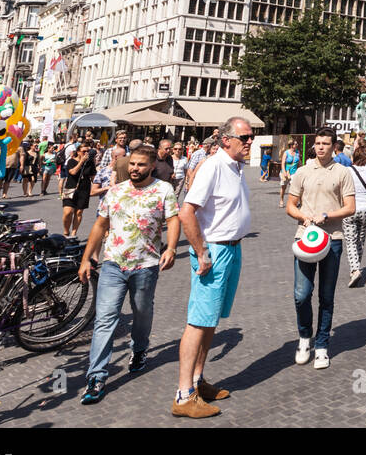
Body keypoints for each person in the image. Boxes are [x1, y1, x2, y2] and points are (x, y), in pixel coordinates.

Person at [78, 145, 180, 405]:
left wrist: (171, 247)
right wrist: (87, 257)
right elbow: (100, 225)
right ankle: (97, 376)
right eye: (132, 164)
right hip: (113, 263)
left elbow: (174, 219)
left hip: (145, 265)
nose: (135, 168)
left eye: (141, 165)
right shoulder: (115, 191)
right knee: (105, 319)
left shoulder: (163, 189)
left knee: (142, 312)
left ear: (152, 166)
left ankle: (140, 349)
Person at [172, 117, 253, 419]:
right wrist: (201, 251)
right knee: (198, 319)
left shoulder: (236, 167)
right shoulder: (213, 166)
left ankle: (197, 380)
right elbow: (186, 212)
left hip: (232, 248)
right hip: (215, 251)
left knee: (210, 320)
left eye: (251, 137)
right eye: (244, 137)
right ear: (226, 140)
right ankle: (183, 394)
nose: (249, 142)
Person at [287, 127, 356, 370]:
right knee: (301, 294)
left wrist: (328, 215)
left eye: (325, 143)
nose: (320, 147)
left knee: (326, 297)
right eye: (317, 143)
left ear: (333, 146)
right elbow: (290, 205)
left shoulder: (342, 172)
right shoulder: (303, 171)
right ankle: (305, 337)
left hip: (332, 239)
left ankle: (323, 345)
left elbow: (350, 207)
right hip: (305, 238)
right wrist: (303, 217)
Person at [342, 143, 366, 287]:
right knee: (360, 240)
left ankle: (355, 269)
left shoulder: (347, 171)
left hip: (350, 208)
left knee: (350, 240)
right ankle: (356, 266)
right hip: (365, 208)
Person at [63, 143, 98, 239]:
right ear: (78, 152)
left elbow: (93, 178)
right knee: (68, 212)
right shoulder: (71, 161)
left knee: (78, 213)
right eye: (84, 151)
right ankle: (66, 232)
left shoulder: (90, 163)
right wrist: (81, 162)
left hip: (84, 189)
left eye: (88, 151)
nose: (86, 153)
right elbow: (73, 172)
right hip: (71, 188)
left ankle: (74, 233)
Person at [278, 140, 300, 209]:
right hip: (286, 172)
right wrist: (284, 172)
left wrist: (302, 169)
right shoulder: (286, 153)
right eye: (296, 144)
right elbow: (283, 163)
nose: (297, 145)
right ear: (292, 145)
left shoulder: (297, 152)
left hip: (294, 173)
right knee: (283, 187)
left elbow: (299, 162)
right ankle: (281, 200)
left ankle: (293, 202)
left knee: (294, 188)